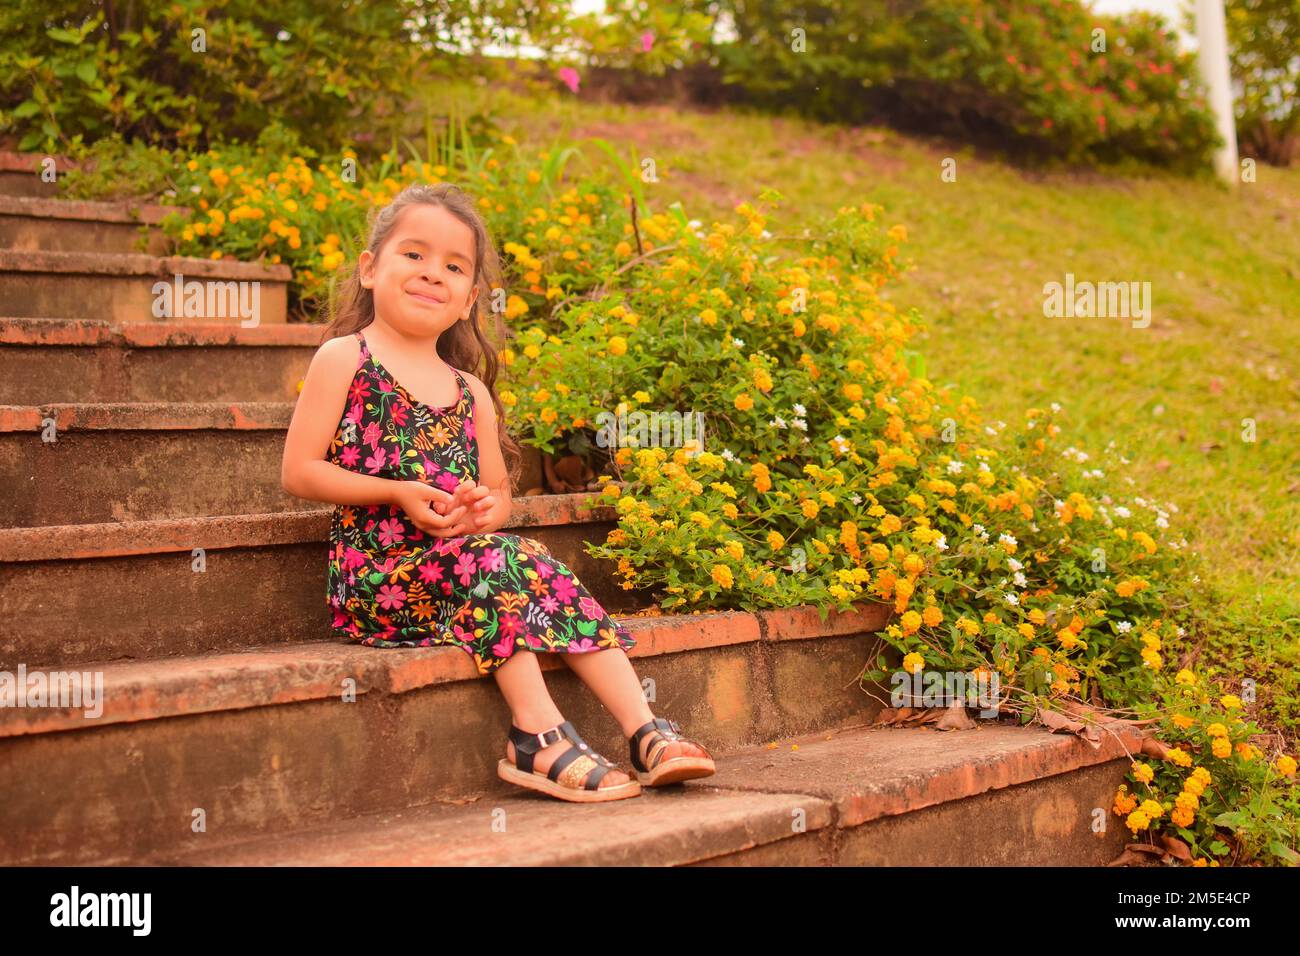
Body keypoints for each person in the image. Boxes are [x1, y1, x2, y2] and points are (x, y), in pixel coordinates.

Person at [281, 182, 715, 803]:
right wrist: (398, 492)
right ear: (370, 268)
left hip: (457, 566)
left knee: (521, 556)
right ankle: (536, 734)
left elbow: (498, 497)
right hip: (376, 581)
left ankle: (645, 730)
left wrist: (480, 511)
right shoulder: (344, 358)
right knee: (497, 561)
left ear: (469, 301)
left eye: (454, 267)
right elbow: (298, 471)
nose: (433, 273)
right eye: (414, 255)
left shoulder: (469, 392)